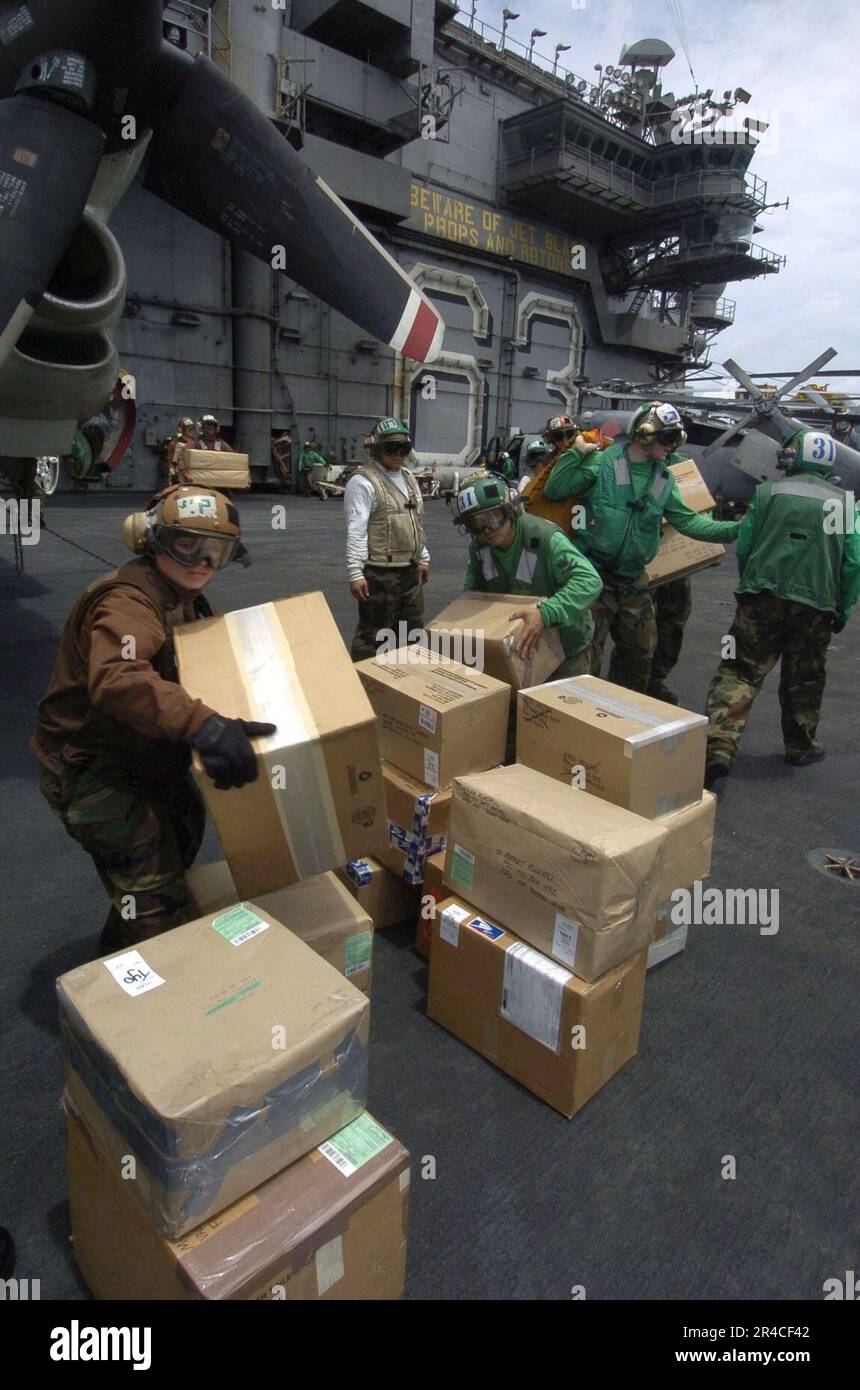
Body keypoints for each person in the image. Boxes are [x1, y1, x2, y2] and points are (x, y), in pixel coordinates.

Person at [31, 486, 275, 956]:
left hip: (141, 751)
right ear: (153, 540)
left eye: (217, 551)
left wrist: (225, 718)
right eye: (187, 544)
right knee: (155, 898)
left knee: (183, 830)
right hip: (91, 769)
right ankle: (145, 982)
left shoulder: (179, 595)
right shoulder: (128, 603)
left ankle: (125, 939)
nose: (202, 560)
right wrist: (202, 726)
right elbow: (119, 678)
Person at [543, 401, 741, 692]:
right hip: (595, 575)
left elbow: (690, 523)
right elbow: (555, 489)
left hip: (634, 580)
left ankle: (624, 713)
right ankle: (583, 718)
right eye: (668, 438)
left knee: (638, 658)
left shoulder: (664, 479)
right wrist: (575, 453)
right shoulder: (604, 462)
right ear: (645, 434)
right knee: (586, 654)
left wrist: (740, 529)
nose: (673, 447)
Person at [704, 429, 860, 789]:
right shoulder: (845, 504)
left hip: (761, 596)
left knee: (739, 668)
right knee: (804, 677)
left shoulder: (768, 493)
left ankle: (720, 742)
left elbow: (746, 544)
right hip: (816, 605)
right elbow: (852, 563)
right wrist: (843, 609)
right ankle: (800, 746)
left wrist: (748, 586)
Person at [453, 474, 602, 677]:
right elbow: (472, 592)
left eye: (494, 518)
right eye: (475, 524)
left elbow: (589, 581)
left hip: (565, 650)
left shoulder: (545, 538)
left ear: (511, 510)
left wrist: (545, 612)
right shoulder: (479, 547)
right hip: (519, 647)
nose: (486, 530)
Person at [345, 417, 430, 661]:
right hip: (380, 574)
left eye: (403, 448)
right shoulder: (363, 482)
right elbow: (356, 530)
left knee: (411, 635)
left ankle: (403, 687)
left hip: (410, 573)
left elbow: (416, 522)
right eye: (391, 447)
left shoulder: (409, 478)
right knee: (374, 637)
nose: (398, 454)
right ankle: (364, 686)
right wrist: (355, 573)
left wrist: (423, 558)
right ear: (376, 449)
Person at [520, 416, 603, 535]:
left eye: (569, 434)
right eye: (559, 437)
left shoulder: (590, 457)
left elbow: (553, 490)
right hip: (559, 523)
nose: (565, 441)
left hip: (582, 525)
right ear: (551, 440)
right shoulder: (552, 460)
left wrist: (578, 451)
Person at [168, 417, 198, 484]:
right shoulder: (174, 443)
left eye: (192, 428)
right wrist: (172, 471)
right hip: (179, 474)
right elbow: (170, 461)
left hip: (195, 473)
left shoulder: (197, 442)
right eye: (189, 428)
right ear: (182, 430)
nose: (191, 430)